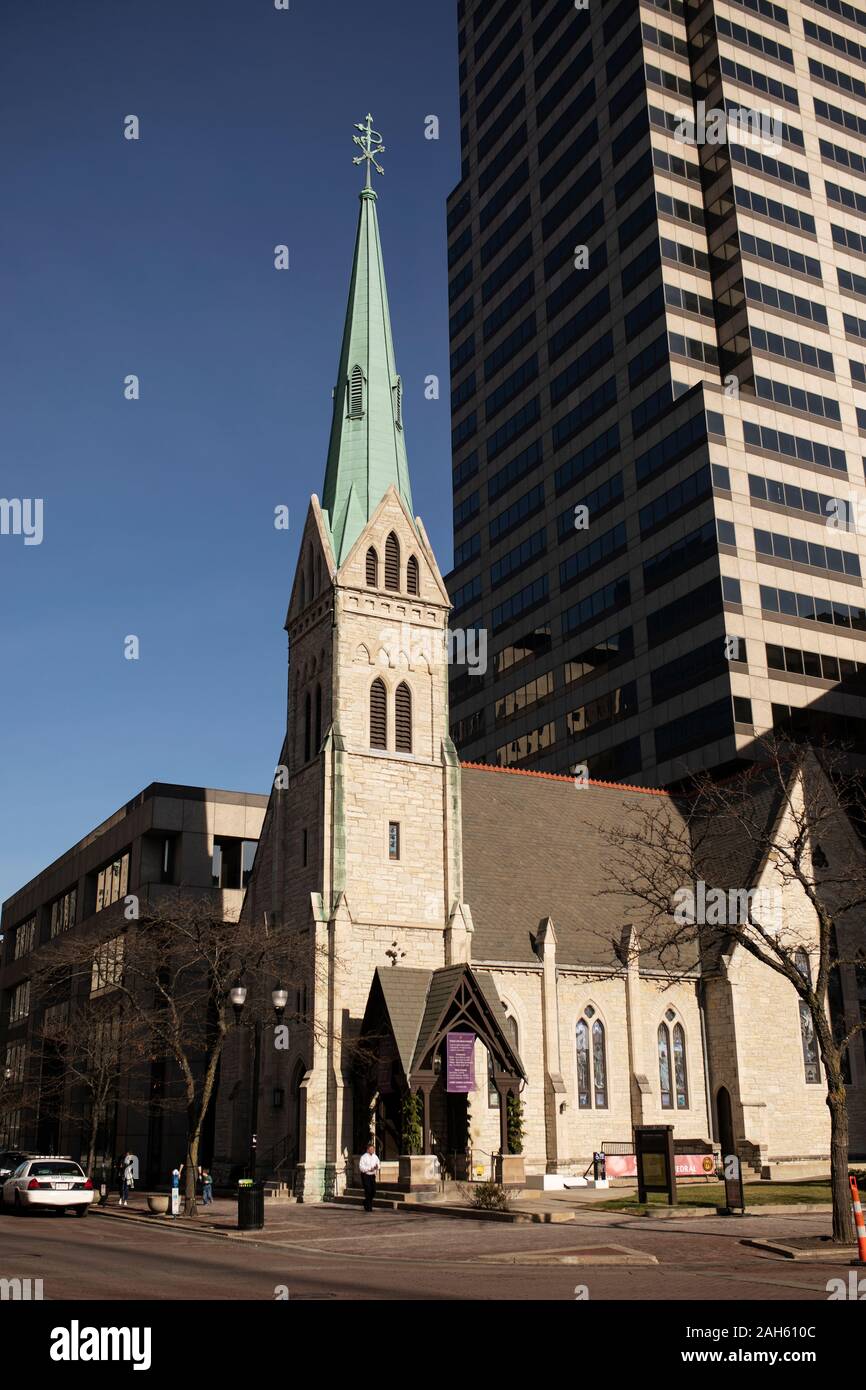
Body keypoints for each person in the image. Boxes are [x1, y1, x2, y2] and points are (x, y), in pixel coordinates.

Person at [358, 1140, 380, 1212]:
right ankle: (369, 1207)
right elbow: (361, 1167)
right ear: (368, 1150)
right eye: (371, 1149)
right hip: (366, 1176)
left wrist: (377, 1167)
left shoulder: (375, 1157)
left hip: (372, 1176)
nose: (372, 1150)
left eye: (373, 1149)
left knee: (373, 1191)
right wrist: (369, 1169)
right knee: (368, 1191)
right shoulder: (363, 1157)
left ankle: (366, 1202)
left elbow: (378, 1164)